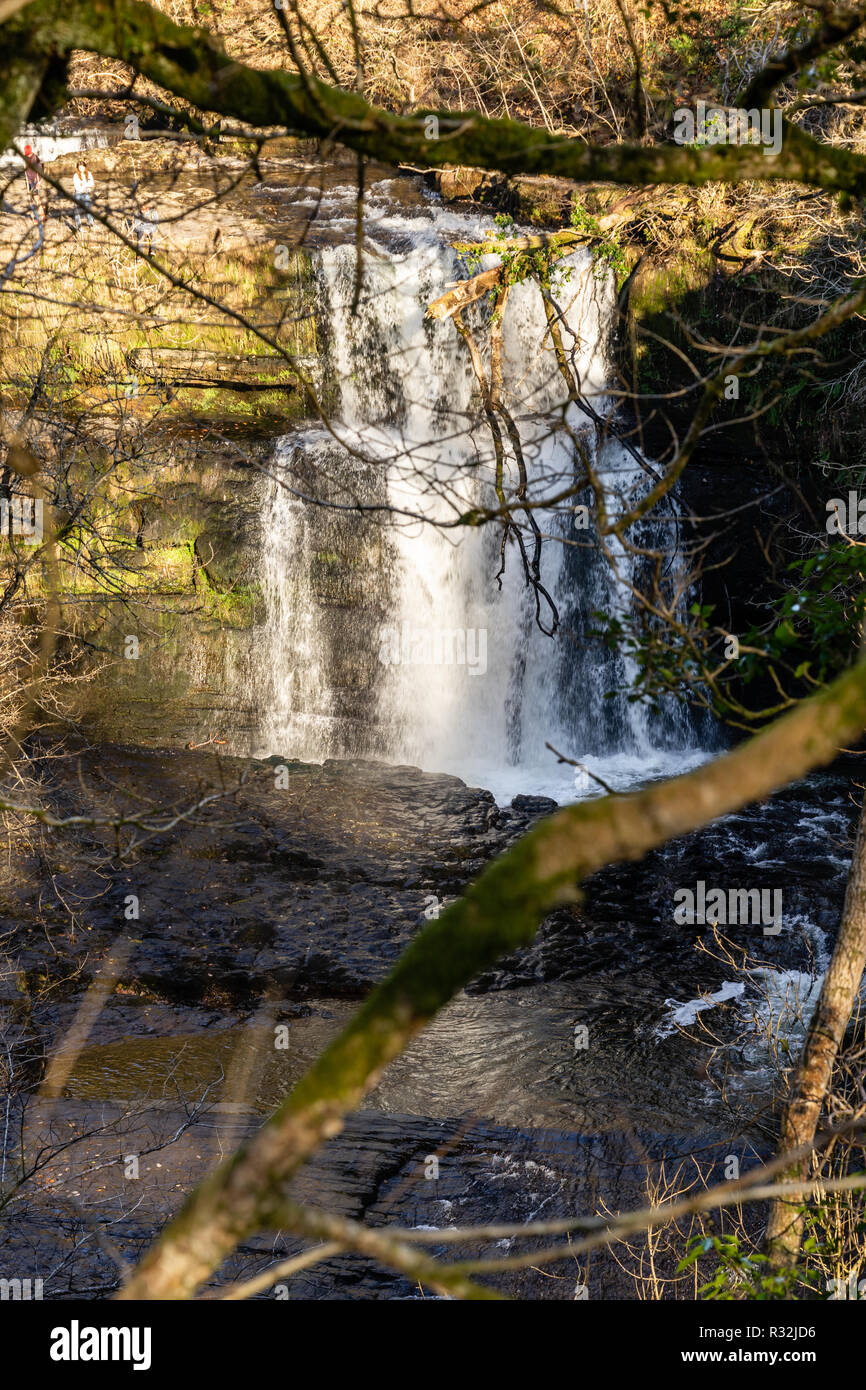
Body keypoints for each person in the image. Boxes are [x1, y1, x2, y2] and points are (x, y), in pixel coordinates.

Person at [23, 144, 46, 226]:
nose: (27, 154)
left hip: (35, 181)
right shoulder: (25, 158)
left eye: (28, 153)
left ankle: (41, 217)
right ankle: (42, 211)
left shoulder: (35, 158)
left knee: (36, 199)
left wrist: (38, 182)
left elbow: (40, 171)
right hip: (29, 181)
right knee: (34, 198)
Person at [72, 160, 95, 230]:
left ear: (85, 167)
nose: (81, 169)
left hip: (86, 194)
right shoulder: (75, 175)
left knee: (88, 208)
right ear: (78, 168)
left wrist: (84, 185)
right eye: (80, 167)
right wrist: (86, 186)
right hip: (78, 194)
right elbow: (77, 187)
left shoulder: (89, 174)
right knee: (77, 210)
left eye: (82, 167)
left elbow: (92, 184)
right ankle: (78, 226)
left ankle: (91, 223)